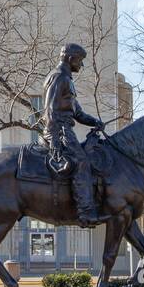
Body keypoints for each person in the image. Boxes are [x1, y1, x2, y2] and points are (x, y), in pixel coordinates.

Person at [41, 43, 103, 227]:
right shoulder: (59, 77)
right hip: (59, 130)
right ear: (70, 58)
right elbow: (50, 110)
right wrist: (53, 137)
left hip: (64, 129)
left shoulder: (67, 80)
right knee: (81, 162)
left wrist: (95, 122)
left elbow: (77, 113)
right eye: (80, 60)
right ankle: (85, 211)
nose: (81, 65)